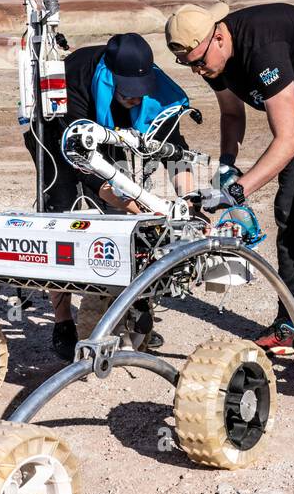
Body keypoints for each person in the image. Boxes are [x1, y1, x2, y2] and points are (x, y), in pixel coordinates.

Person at [165, 1, 294, 353]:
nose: (197, 71)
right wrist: (227, 165)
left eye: (199, 62)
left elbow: (288, 140)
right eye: (188, 65)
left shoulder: (262, 49)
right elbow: (232, 114)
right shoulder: (217, 62)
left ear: (218, 37)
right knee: (291, 214)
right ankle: (289, 323)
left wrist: (236, 191)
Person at [25, 32, 196, 359]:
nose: (135, 100)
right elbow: (83, 166)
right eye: (128, 94)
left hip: (106, 136)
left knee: (124, 223)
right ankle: (63, 321)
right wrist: (130, 201)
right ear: (109, 77)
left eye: (140, 95)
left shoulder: (153, 91)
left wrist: (188, 204)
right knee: (61, 220)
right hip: (59, 137)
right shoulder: (74, 76)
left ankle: (130, 312)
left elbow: (175, 151)